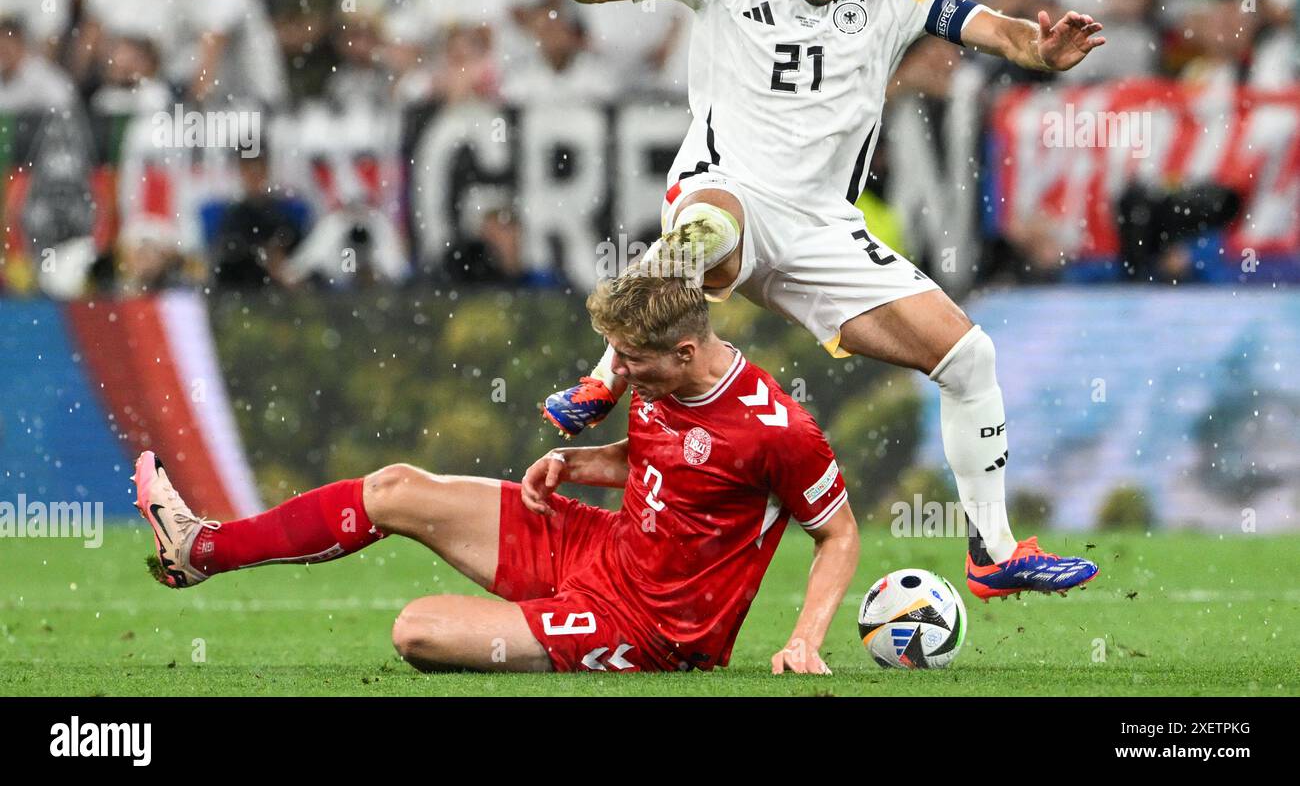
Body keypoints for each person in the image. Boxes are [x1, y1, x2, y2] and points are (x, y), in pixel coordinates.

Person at [544, 0, 1103, 601]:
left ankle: (991, 554)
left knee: (969, 359)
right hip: (725, 189)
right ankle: (605, 374)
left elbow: (992, 29)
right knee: (707, 235)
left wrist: (1041, 49)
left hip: (821, 229)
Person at [132, 269, 860, 674]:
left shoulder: (779, 431)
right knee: (394, 489)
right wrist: (579, 462)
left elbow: (839, 535)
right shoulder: (663, 378)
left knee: (417, 630)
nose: (618, 374)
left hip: (651, 627)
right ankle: (201, 549)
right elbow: (669, 466)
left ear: (686, 353)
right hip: (603, 549)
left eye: (631, 362)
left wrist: (804, 638)